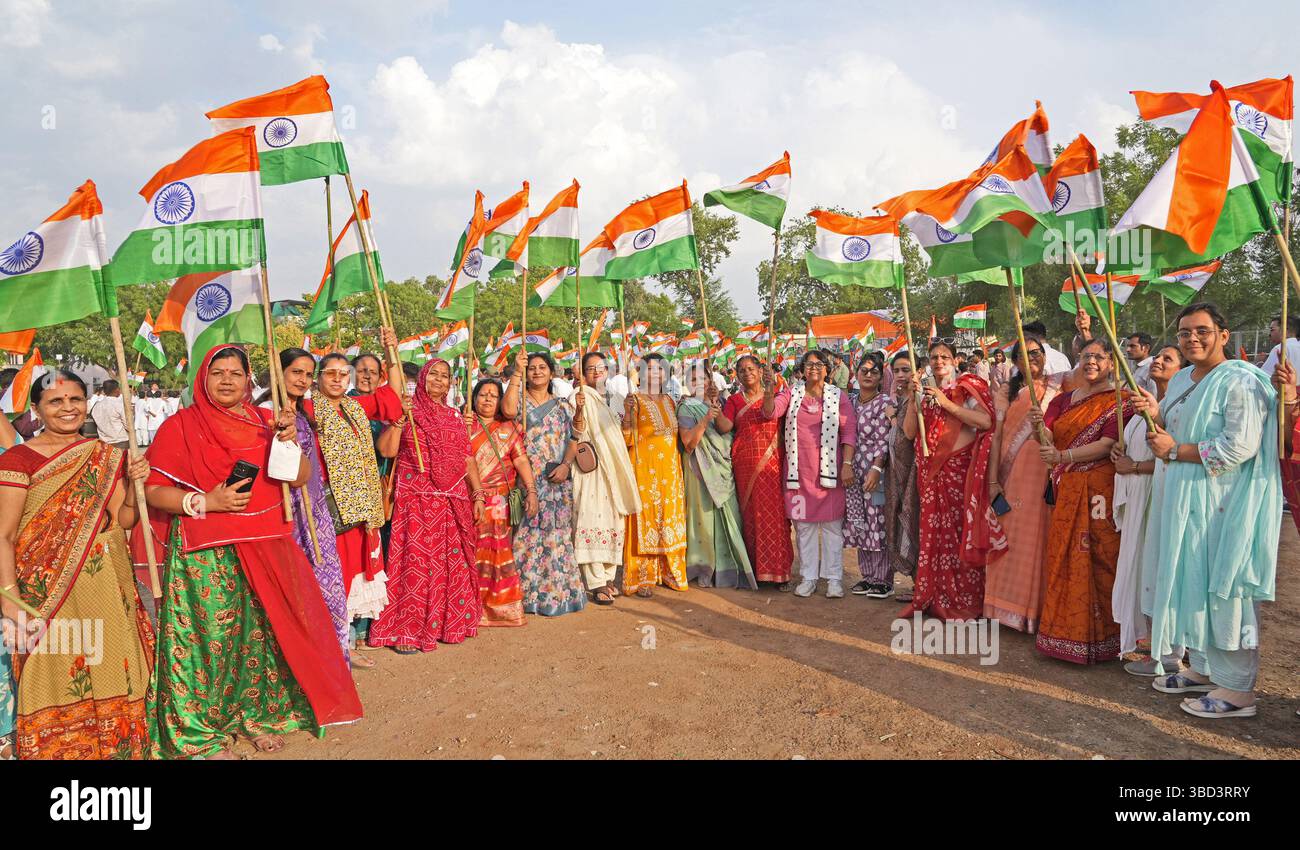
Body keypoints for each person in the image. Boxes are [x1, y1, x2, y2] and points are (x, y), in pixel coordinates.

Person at [144, 345, 361, 757]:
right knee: (210, 643)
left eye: (236, 373)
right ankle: (200, 731)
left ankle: (257, 715)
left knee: (262, 638)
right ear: (202, 379)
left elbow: (298, 478)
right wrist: (206, 502)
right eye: (217, 372)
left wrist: (289, 439)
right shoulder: (181, 426)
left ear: (249, 380)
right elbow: (155, 492)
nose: (227, 380)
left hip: (265, 544)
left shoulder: (267, 423)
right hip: (207, 552)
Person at [1134, 303, 1279, 719]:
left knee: (1223, 587)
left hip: (1221, 503)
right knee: (1187, 579)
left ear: (1224, 334)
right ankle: (1201, 667)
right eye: (1184, 333)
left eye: (1201, 331)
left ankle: (1237, 690)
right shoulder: (1182, 377)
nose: (1192, 339)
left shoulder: (1239, 381)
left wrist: (1176, 450)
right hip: (1181, 498)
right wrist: (1157, 412)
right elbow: (1179, 428)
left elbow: (1240, 445)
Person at [0, 370, 154, 759]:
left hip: (105, 583)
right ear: (35, 409)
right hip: (47, 592)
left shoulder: (105, 455)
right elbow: (4, 535)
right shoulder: (19, 459)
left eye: (74, 400)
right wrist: (10, 599)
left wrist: (136, 489)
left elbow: (123, 521)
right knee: (53, 669)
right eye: (55, 401)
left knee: (110, 663)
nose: (67, 409)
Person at [368, 359, 486, 653]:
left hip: (451, 502)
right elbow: (386, 450)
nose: (439, 379)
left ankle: (449, 624)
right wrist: (398, 421)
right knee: (416, 563)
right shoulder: (408, 412)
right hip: (416, 501)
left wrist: (478, 494)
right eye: (433, 374)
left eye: (444, 376)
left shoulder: (456, 417)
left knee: (451, 565)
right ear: (422, 378)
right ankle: (409, 630)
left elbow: (467, 457)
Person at [1028, 337, 1131, 664]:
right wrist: (1037, 427)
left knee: (1101, 555)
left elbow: (1106, 444)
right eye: (1086, 356)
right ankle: (1064, 635)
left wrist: (1062, 455)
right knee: (1064, 555)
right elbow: (1047, 437)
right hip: (1068, 487)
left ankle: (1108, 639)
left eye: (1099, 357)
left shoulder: (1120, 400)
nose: (1092, 362)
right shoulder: (1063, 401)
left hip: (1100, 487)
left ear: (1111, 363)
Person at [311, 348, 404, 661]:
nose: (338, 379)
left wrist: (391, 353)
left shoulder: (354, 407)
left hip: (363, 503)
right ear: (317, 377)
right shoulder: (309, 409)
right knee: (332, 573)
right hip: (326, 506)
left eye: (342, 374)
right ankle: (335, 644)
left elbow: (393, 400)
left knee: (357, 570)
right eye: (330, 373)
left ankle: (350, 639)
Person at [901, 341, 1000, 620]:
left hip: (958, 474)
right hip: (931, 476)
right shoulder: (922, 390)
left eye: (944, 356)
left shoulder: (967, 387)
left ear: (955, 361)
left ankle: (964, 600)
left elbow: (985, 422)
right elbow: (910, 433)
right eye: (934, 357)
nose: (939, 361)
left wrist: (945, 404)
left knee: (958, 534)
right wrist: (912, 398)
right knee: (933, 537)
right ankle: (933, 596)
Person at [1111, 343, 1187, 674]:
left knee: (1160, 570)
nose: (1157, 361)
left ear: (1181, 370)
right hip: (1139, 497)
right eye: (1157, 357)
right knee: (1143, 570)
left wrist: (1135, 467)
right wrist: (1120, 453)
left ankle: (1167, 654)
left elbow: (1173, 453)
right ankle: (1147, 645)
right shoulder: (1148, 404)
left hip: (1159, 495)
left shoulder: (1178, 408)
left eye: (1167, 359)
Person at [272, 348, 352, 660]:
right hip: (286, 517)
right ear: (280, 373)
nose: (303, 380)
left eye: (307, 374)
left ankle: (332, 666)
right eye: (296, 372)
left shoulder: (304, 412)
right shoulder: (266, 412)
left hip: (315, 515)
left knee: (328, 595)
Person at [983, 333, 1059, 632]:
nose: (1032, 358)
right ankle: (1003, 608)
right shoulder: (1008, 391)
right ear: (1015, 361)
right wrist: (992, 481)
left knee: (1039, 537)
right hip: (1011, 474)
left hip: (1043, 470)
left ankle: (1034, 611)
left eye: (1037, 352)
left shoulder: (1057, 386)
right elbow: (998, 436)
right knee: (1009, 537)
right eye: (1024, 354)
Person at [561, 352, 639, 606]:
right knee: (590, 517)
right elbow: (575, 432)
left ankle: (608, 578)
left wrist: (628, 412)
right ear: (582, 373)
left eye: (601, 368)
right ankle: (595, 583)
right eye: (591, 368)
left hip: (614, 469)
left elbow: (624, 435)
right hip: (590, 469)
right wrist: (580, 409)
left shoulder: (616, 398)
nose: (597, 372)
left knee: (613, 521)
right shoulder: (578, 396)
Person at [779, 349, 856, 599]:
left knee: (833, 527)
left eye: (819, 364)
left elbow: (849, 432)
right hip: (798, 474)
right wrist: (770, 391)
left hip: (830, 473)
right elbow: (772, 412)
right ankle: (809, 576)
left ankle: (834, 579)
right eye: (808, 364)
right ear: (801, 369)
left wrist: (847, 464)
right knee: (804, 528)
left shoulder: (838, 396)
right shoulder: (792, 393)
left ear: (827, 369)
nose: (813, 368)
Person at [717, 355, 794, 588]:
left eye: (751, 368)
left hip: (771, 463)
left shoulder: (778, 394)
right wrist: (714, 407)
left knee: (775, 516)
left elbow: (770, 414)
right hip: (745, 464)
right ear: (737, 375)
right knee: (750, 517)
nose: (746, 373)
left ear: (761, 371)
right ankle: (754, 571)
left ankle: (778, 571)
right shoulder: (734, 400)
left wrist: (769, 391)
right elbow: (725, 427)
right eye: (741, 370)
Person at [678, 362, 756, 590]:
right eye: (693, 380)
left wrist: (716, 410)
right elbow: (688, 443)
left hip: (723, 469)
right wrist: (704, 421)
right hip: (700, 469)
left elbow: (725, 430)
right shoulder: (686, 408)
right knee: (704, 517)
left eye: (702, 379)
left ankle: (730, 565)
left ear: (709, 381)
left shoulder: (721, 402)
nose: (698, 383)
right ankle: (704, 566)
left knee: (731, 513)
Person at [468, 377, 538, 626]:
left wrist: (531, 491)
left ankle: (500, 609)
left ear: (500, 401)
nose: (487, 399)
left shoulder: (508, 428)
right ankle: (469, 608)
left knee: (497, 552)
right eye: (483, 394)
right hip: (469, 499)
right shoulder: (464, 425)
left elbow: (520, 461)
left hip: (498, 500)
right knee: (470, 551)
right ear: (474, 397)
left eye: (493, 395)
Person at [622, 353, 688, 597]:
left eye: (660, 369)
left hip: (670, 473)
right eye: (649, 369)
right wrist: (628, 414)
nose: (655, 373)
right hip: (644, 471)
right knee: (646, 519)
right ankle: (643, 577)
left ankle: (669, 572)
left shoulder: (670, 401)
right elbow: (627, 438)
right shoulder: (634, 401)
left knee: (668, 518)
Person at [844, 352, 892, 598]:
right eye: (865, 370)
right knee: (859, 522)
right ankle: (867, 575)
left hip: (876, 473)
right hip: (852, 473)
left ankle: (883, 579)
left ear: (881, 376)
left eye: (874, 371)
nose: (869, 375)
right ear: (856, 373)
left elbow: (884, 439)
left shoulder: (885, 403)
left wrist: (876, 468)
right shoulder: (850, 402)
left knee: (878, 522)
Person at [883, 351, 920, 601]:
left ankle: (922, 584)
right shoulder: (898, 398)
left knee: (914, 520)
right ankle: (918, 582)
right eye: (897, 371)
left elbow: (907, 433)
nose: (901, 375)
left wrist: (894, 416)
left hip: (914, 472)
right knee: (901, 521)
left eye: (906, 370)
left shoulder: (917, 397)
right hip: (896, 472)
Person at [90, 379, 130, 451]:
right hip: (120, 441)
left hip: (104, 442)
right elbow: (128, 425)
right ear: (117, 390)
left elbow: (95, 423)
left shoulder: (96, 406)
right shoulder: (119, 405)